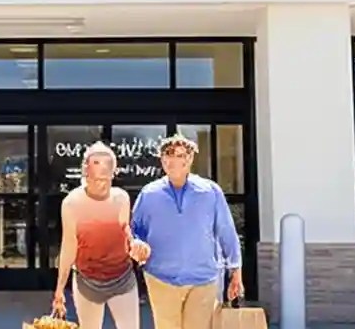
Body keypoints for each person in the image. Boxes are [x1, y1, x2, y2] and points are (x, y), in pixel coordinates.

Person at [130, 134, 242, 329]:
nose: (171, 160)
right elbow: (133, 230)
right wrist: (136, 242)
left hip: (203, 279)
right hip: (160, 277)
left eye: (178, 155)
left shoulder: (210, 191)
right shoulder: (149, 194)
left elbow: (226, 231)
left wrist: (236, 271)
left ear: (190, 158)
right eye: (167, 156)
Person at [53, 141, 149, 329]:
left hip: (122, 278)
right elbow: (69, 246)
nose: (101, 184)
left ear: (113, 174)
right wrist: (59, 289)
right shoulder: (71, 203)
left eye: (105, 179)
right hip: (86, 280)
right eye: (95, 179)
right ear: (85, 173)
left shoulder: (121, 198)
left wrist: (137, 246)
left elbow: (125, 233)